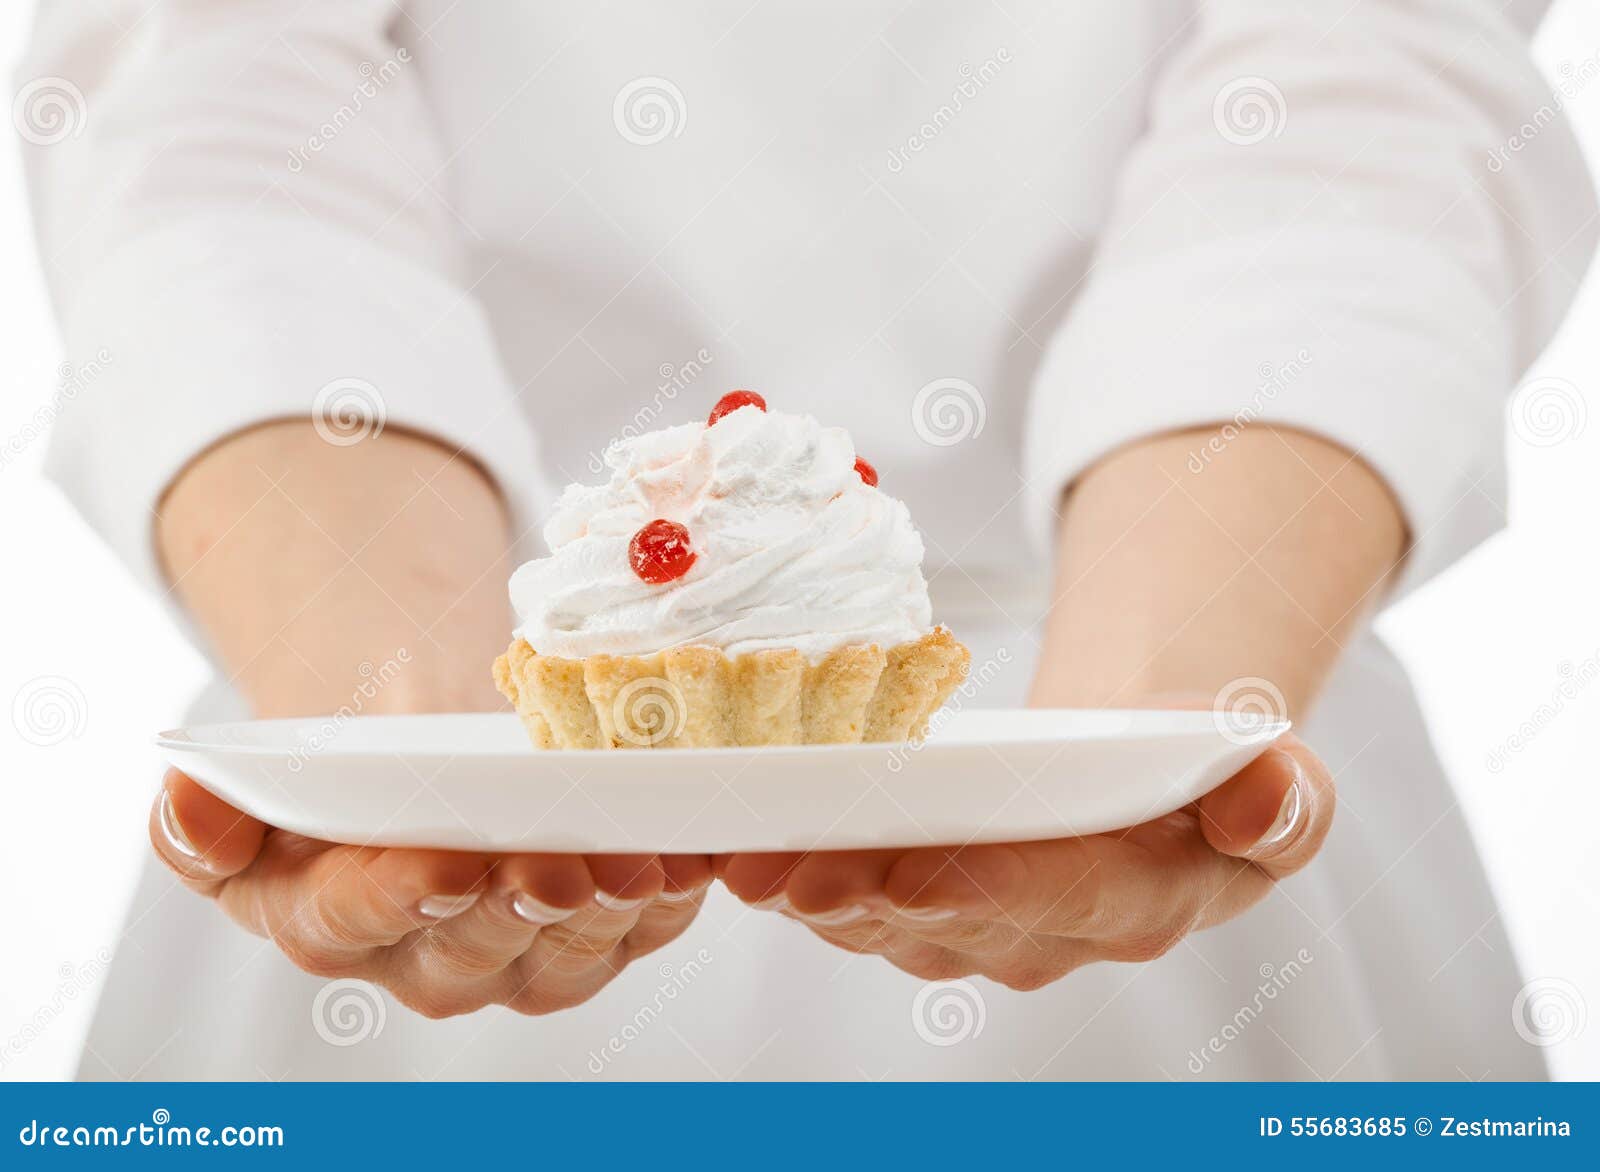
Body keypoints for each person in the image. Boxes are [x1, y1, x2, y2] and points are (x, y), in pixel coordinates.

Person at [20, 0, 1593, 1079]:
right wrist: (387, 728)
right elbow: (203, 90)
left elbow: (1362, 87)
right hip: (409, 644)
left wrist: (1160, 720)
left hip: (1186, 665)